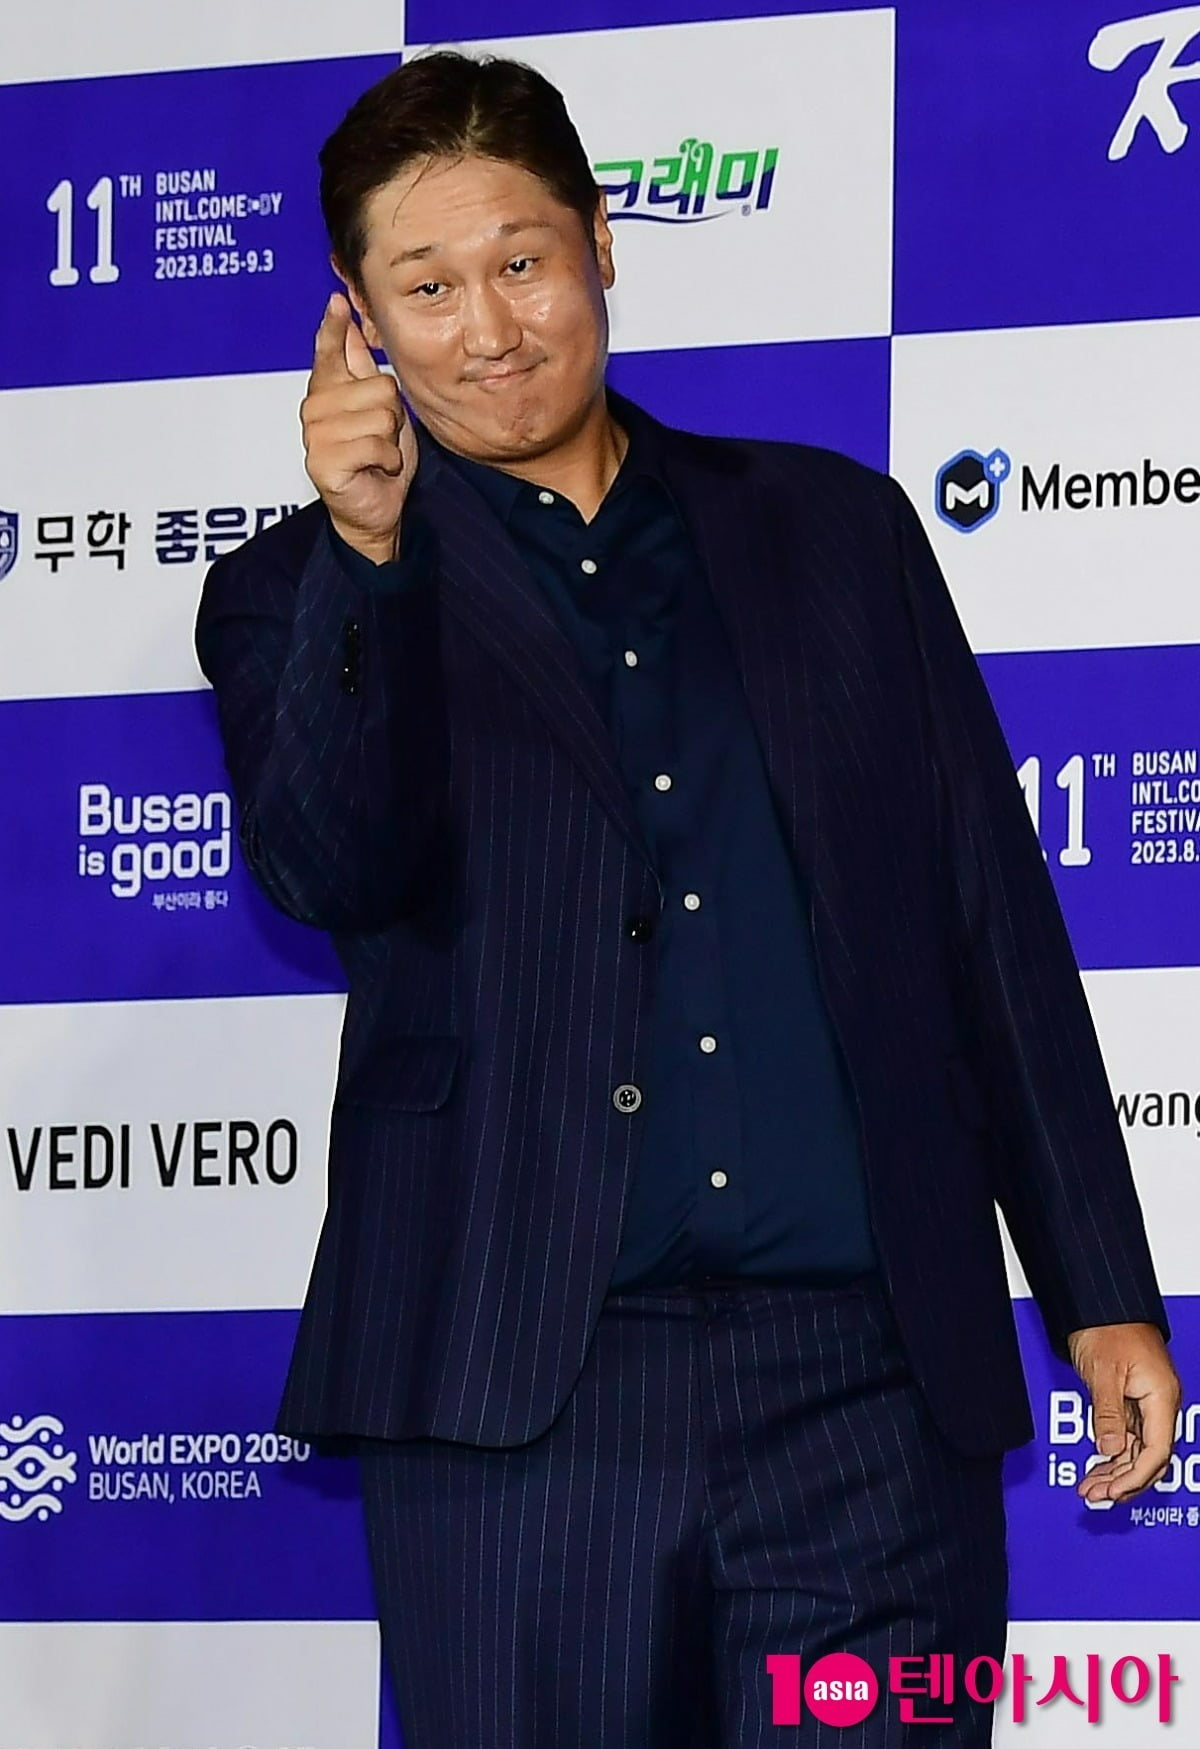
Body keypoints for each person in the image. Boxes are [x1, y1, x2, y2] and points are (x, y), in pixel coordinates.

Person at [195, 50, 1180, 1748]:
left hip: (870, 1399)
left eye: (522, 261)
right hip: (519, 1398)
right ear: (358, 316)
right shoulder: (299, 593)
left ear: (599, 240)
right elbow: (327, 869)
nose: (490, 329)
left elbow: (990, 922)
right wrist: (367, 556)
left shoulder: (837, 532)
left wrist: (1098, 1281)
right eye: (427, 288)